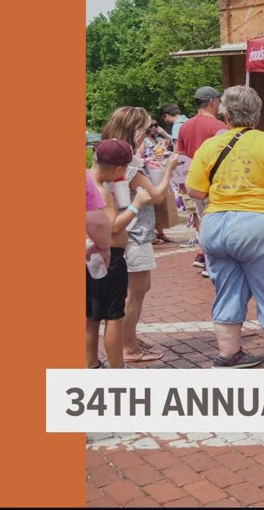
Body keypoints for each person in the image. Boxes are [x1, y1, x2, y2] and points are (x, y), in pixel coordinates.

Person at [186, 85, 264, 369]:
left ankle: (229, 354)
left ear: (227, 114)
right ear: (257, 114)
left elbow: (194, 190)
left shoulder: (211, 145)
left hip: (217, 224)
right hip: (260, 224)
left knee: (227, 289)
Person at [101, 106, 180, 363]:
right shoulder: (129, 164)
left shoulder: (113, 155)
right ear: (134, 129)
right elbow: (155, 196)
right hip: (133, 234)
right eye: (145, 129)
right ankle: (129, 347)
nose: (147, 134)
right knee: (134, 293)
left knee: (140, 288)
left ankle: (129, 337)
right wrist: (170, 168)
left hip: (131, 233)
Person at [87, 139, 152, 369]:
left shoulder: (86, 181)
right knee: (113, 317)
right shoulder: (101, 192)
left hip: (89, 256)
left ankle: (91, 364)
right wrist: (136, 204)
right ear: (119, 169)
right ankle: (117, 369)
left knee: (91, 317)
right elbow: (113, 226)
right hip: (109, 259)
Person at [177, 85, 228, 277]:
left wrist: (183, 181)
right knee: (214, 222)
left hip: (193, 182)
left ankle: (202, 253)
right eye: (218, 101)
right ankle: (209, 260)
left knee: (203, 219)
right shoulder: (219, 127)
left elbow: (180, 155)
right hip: (214, 182)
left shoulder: (185, 126)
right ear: (213, 102)